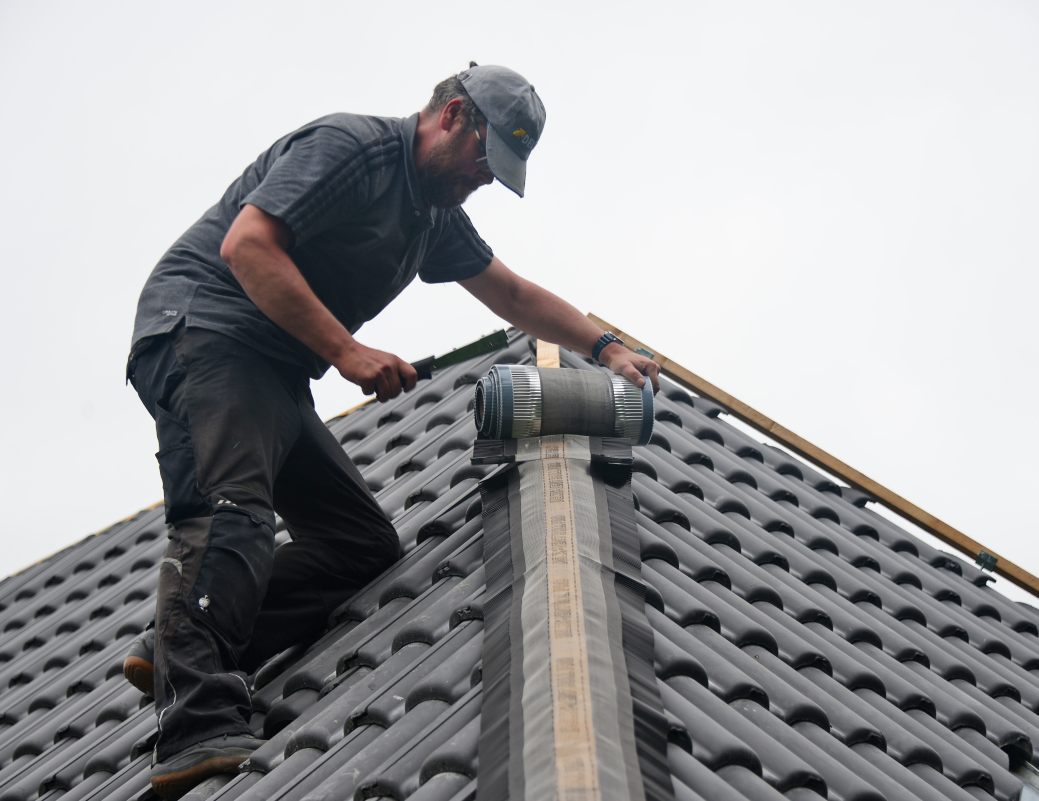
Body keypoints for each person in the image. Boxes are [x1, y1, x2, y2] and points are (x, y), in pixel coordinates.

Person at [124, 63, 660, 799]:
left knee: (361, 545)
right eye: (482, 162)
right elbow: (246, 246)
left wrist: (605, 347)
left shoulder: (431, 215)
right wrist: (346, 350)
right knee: (232, 510)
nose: (479, 181)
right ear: (453, 117)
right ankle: (193, 723)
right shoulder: (354, 151)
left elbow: (510, 292)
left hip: (273, 367)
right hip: (204, 329)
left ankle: (183, 639)